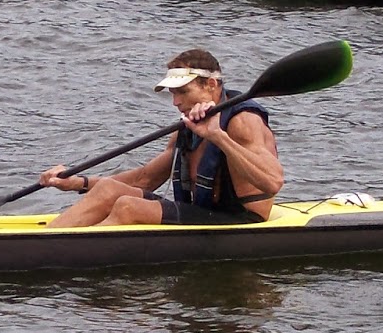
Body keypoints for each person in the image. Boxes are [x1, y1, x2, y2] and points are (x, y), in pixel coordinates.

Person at [37, 48, 284, 228]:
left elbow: (272, 183)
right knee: (109, 189)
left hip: (240, 220)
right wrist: (77, 182)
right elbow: (146, 179)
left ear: (211, 84)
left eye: (183, 92)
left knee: (128, 206)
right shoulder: (187, 125)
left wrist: (217, 136)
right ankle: (47, 241)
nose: (176, 102)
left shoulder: (244, 121)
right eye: (172, 94)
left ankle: (68, 253)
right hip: (202, 212)